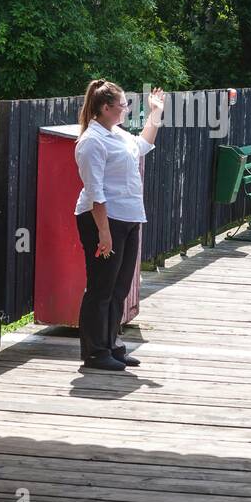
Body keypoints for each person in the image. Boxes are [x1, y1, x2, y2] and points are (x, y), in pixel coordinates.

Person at [73, 80, 165, 371]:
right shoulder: (91, 142)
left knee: (120, 287)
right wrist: (104, 233)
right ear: (105, 108)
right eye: (123, 105)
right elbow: (95, 191)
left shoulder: (118, 135)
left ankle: (111, 344)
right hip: (103, 220)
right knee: (101, 288)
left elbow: (145, 145)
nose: (126, 109)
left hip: (128, 217)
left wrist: (156, 113)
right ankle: (94, 352)